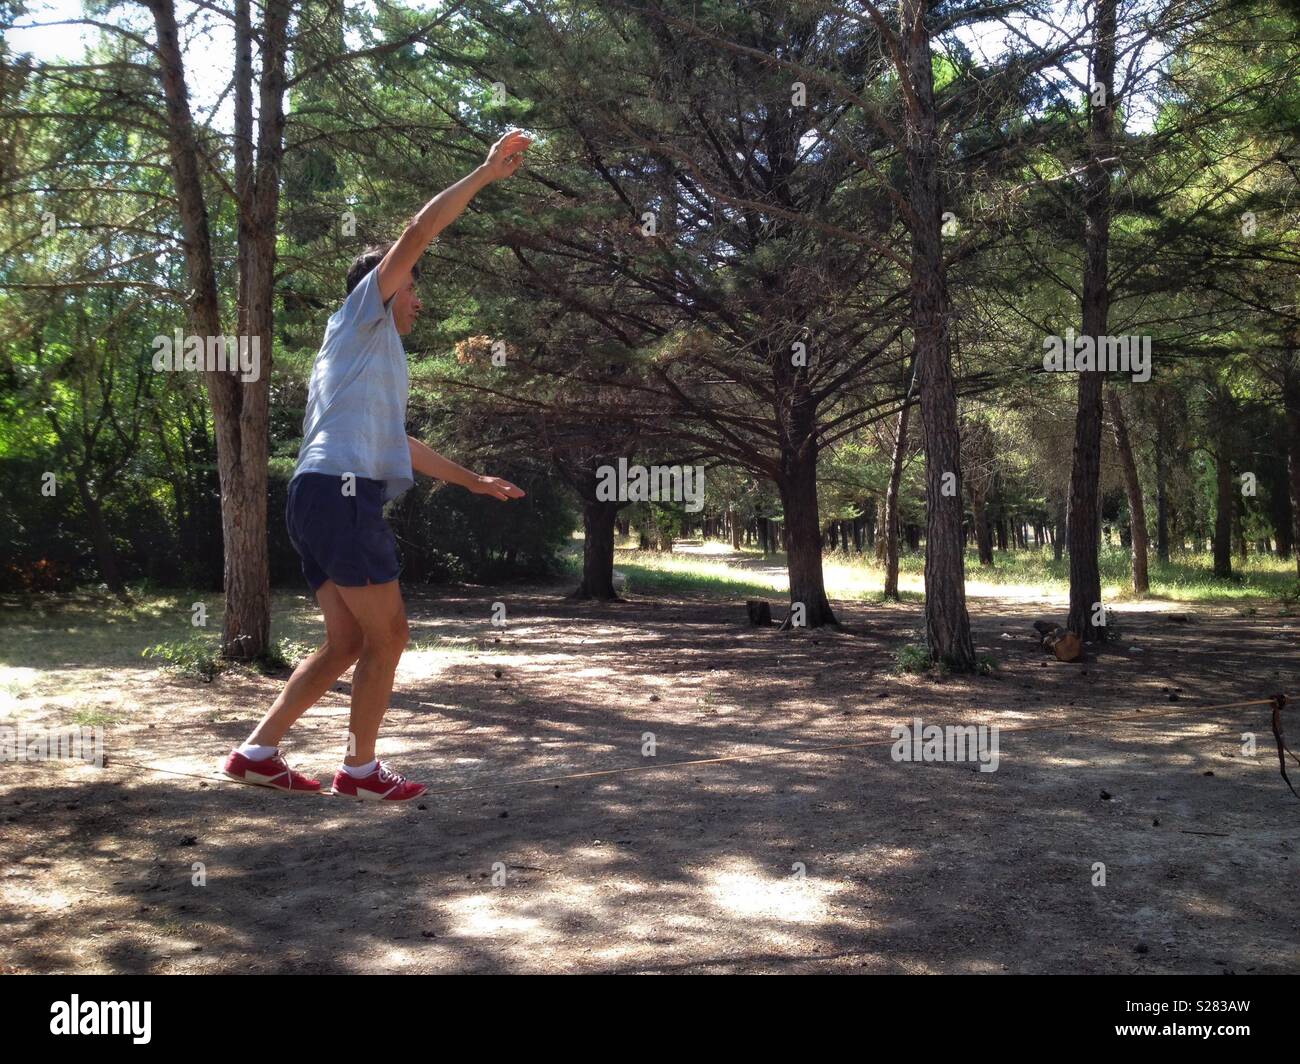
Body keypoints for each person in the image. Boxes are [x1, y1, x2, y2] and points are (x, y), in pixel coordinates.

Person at [222, 129, 532, 800]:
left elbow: (401, 444)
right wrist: (483, 173)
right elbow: (419, 230)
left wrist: (474, 480)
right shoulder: (362, 315)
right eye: (410, 287)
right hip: (339, 494)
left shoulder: (369, 361)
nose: (418, 298)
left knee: (346, 643)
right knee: (390, 636)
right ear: (383, 288)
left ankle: (258, 752)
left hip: (317, 496)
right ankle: (359, 771)